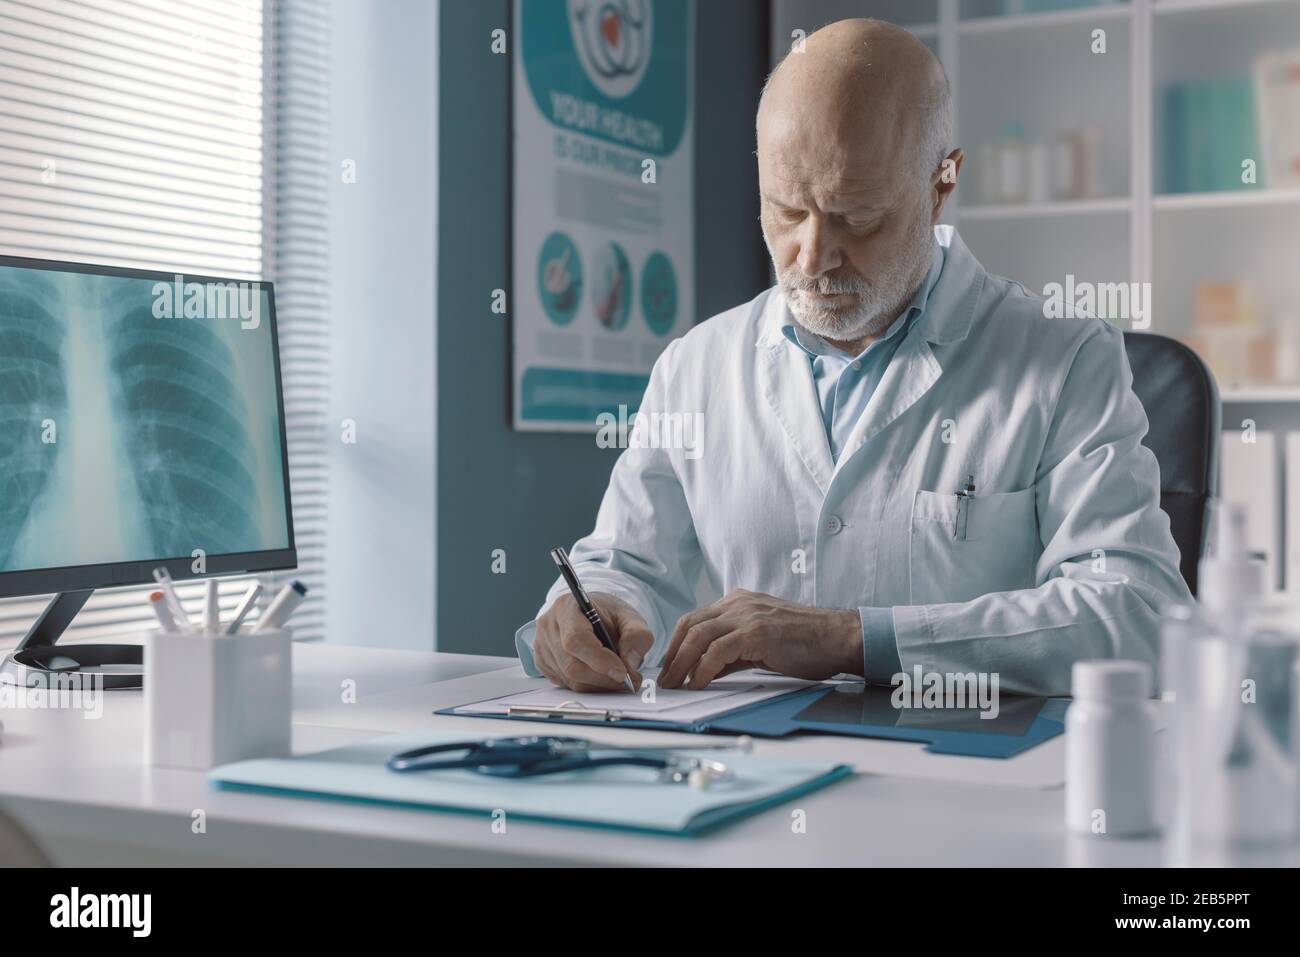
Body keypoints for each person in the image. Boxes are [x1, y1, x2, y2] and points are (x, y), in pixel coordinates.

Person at [515, 18, 1191, 696]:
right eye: (786, 211)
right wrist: (588, 608)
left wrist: (854, 637)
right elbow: (626, 563)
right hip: (752, 774)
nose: (812, 256)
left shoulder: (1066, 357)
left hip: (971, 781)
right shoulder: (694, 368)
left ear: (941, 184)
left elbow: (1139, 615)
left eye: (856, 217)